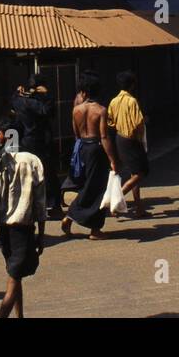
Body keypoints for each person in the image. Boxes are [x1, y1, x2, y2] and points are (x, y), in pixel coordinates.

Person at [0, 117, 47, 318]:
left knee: (14, 277)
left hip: (5, 230)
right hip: (22, 230)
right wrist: (41, 233)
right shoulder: (32, 161)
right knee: (14, 279)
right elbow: (40, 203)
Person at [61, 71, 119, 240]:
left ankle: (75, 218)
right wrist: (113, 159)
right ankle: (93, 228)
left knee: (88, 184)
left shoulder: (76, 110)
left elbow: (76, 133)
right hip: (96, 148)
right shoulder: (101, 110)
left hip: (82, 148)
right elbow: (104, 136)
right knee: (98, 188)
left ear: (84, 92)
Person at [10, 83, 60, 217]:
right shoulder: (33, 103)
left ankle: (31, 206)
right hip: (39, 143)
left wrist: (16, 93)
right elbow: (47, 111)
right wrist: (48, 96)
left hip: (25, 143)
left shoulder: (18, 101)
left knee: (28, 175)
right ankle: (52, 206)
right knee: (46, 174)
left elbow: (13, 101)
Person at [106, 71, 150, 217]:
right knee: (141, 172)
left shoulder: (113, 101)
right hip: (131, 139)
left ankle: (139, 207)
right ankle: (117, 199)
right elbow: (139, 122)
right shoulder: (132, 101)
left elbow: (110, 121)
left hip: (119, 138)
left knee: (133, 172)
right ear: (132, 85)